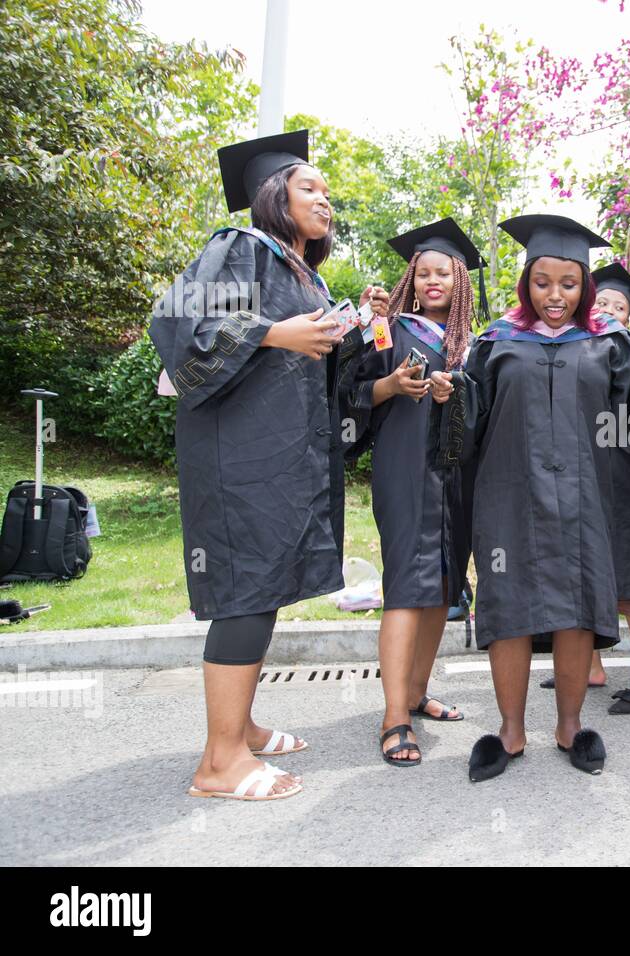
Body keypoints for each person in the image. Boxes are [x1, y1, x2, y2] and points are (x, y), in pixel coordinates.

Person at [149, 130, 383, 800]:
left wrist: (355, 329)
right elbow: (176, 323)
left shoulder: (303, 273)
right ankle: (219, 763)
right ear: (274, 196)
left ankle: (241, 725)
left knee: (266, 587)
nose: (325, 201)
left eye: (328, 194)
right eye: (311, 187)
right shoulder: (240, 248)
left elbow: (318, 370)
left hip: (283, 455)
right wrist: (275, 332)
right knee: (247, 591)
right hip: (240, 457)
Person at [455, 215, 630, 781]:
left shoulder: (610, 342)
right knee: (509, 607)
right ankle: (510, 731)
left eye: (568, 284)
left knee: (578, 606)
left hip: (584, 493)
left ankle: (569, 724)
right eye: (543, 282)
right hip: (507, 493)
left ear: (585, 287)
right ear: (527, 282)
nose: (555, 296)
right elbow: (470, 424)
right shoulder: (495, 341)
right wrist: (451, 396)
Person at [343, 219, 486, 765]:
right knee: (407, 586)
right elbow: (353, 391)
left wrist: (459, 394)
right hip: (405, 473)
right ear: (410, 279)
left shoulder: (472, 343)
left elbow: (486, 413)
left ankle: (417, 693)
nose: (432, 281)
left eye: (443, 274)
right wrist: (391, 384)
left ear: (459, 283)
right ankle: (393, 716)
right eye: (423, 272)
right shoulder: (389, 328)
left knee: (444, 586)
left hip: (457, 478)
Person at [538, 263, 630, 714]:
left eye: (620, 306)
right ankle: (591, 667)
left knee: (629, 582)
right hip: (588, 479)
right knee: (582, 574)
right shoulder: (580, 352)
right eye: (603, 304)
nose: (611, 311)